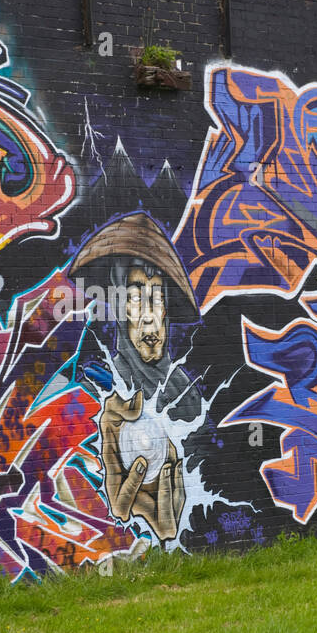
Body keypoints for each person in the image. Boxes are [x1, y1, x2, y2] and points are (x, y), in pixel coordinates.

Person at [69, 213, 200, 540]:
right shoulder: (100, 388)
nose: (150, 315)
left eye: (158, 296)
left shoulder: (188, 396)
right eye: (137, 295)